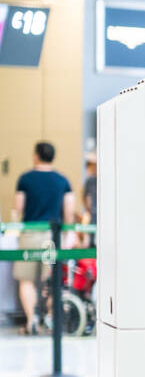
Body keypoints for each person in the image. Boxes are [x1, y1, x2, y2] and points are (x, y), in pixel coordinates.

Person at [12, 141, 74, 335]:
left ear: (36, 155)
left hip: (30, 234)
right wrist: (67, 232)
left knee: (26, 279)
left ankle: (32, 321)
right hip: (52, 236)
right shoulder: (62, 181)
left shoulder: (25, 179)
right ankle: (51, 321)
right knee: (52, 280)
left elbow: (18, 208)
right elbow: (69, 212)